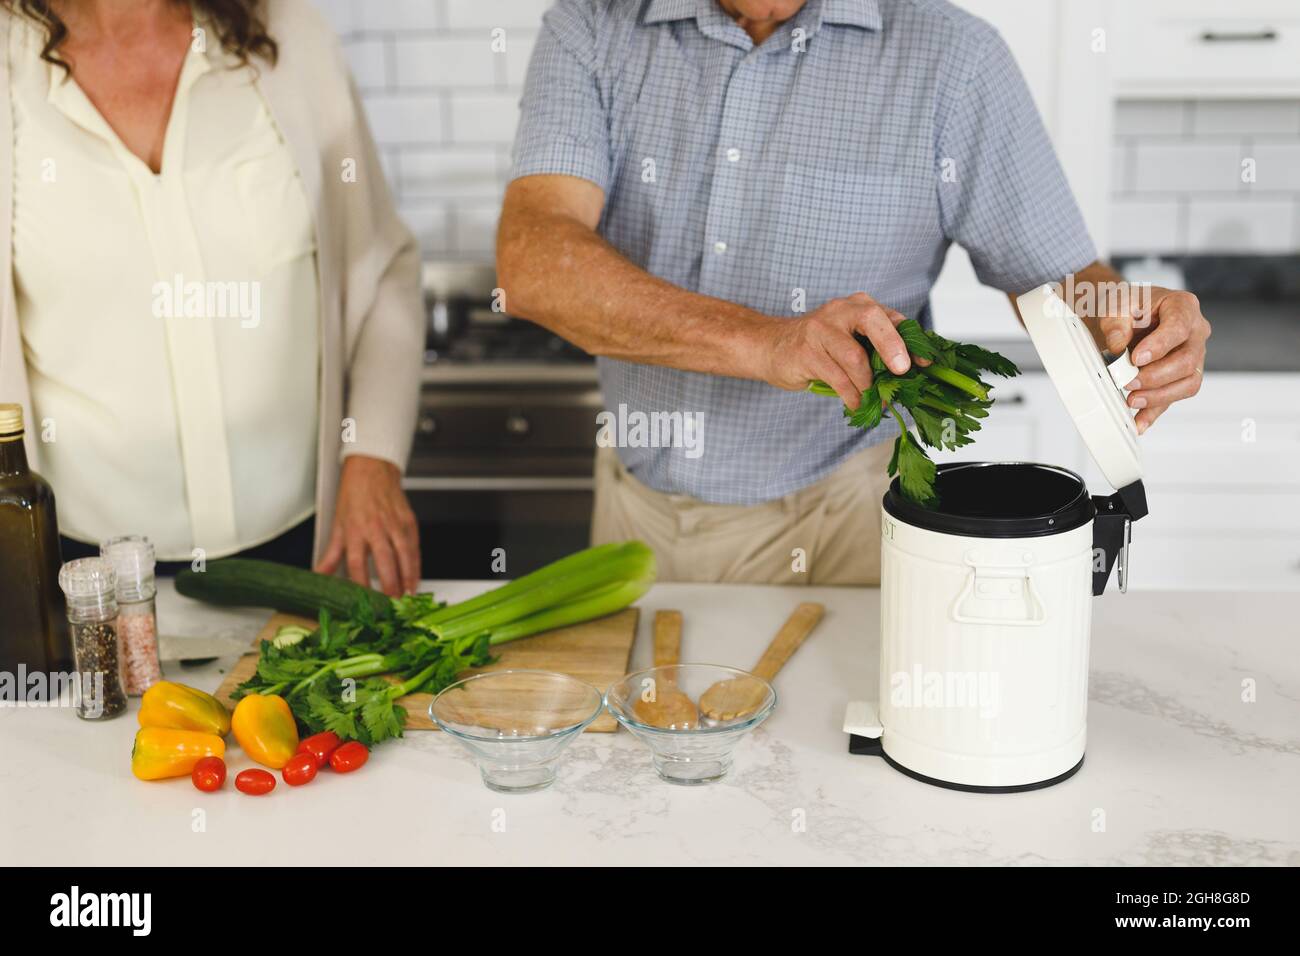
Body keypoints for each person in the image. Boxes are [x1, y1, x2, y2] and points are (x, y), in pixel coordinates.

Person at [497, 0, 1212, 585]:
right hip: (640, 516)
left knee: (845, 754)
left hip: (851, 521)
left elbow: (1054, 280)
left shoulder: (954, 60)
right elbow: (534, 264)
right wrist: (767, 342)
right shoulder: (592, 28)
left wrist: (1121, 319)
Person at [0, 0, 424, 595]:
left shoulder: (290, 38)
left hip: (304, 556)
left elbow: (382, 272)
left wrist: (373, 454)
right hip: (83, 578)